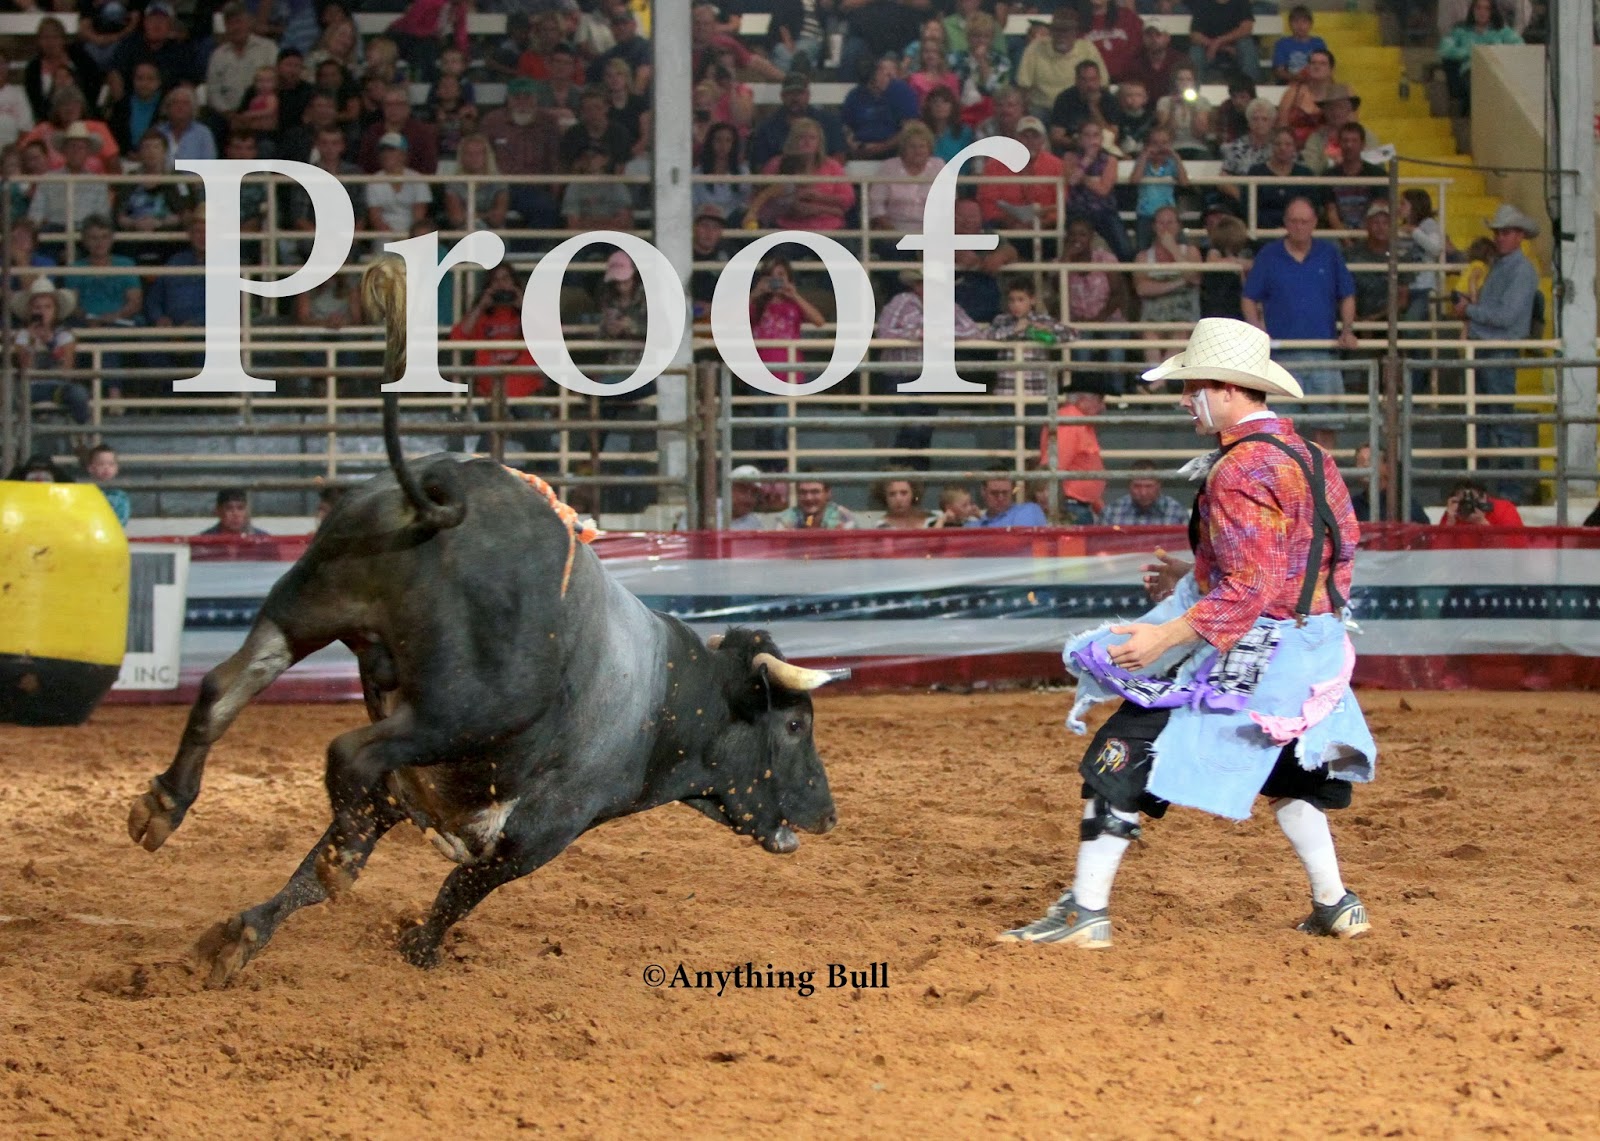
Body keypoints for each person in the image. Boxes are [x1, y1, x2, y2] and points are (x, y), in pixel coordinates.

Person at [999, 317, 1376, 949]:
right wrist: (1199, 573)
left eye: (1191, 386)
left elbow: (1251, 586)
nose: (1183, 399)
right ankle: (1335, 903)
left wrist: (1166, 634)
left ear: (1227, 389)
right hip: (1312, 652)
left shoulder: (1237, 470)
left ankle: (1085, 912)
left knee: (1118, 755)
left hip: (1257, 652)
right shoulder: (1312, 457)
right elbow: (1328, 554)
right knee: (1289, 774)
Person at [1242, 197, 1357, 448]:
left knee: (1327, 425)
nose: (1299, 226)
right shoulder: (1269, 255)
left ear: (1314, 222)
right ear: (1285, 222)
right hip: (1281, 355)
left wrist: (1347, 330)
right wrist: (1258, 331)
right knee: (1279, 430)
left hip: (1324, 352)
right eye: (1294, 221)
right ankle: (1284, 474)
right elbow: (1249, 298)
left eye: (1304, 221)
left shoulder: (1329, 253)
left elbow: (1347, 295)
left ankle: (1322, 473)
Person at [1455, 205, 1541, 501]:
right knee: (1490, 420)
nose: (1500, 237)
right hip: (1491, 348)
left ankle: (1506, 490)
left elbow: (1505, 316)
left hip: (1497, 349)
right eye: (1498, 233)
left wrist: (1470, 310)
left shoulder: (1519, 270)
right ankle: (1501, 490)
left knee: (1498, 421)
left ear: (1519, 235)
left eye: (1505, 232)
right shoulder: (1509, 268)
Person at [451, 263, 551, 467]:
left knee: (539, 435)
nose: (501, 285)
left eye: (506, 279)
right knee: (490, 435)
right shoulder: (481, 316)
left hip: (525, 388)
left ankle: (546, 474)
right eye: (495, 280)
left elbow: (549, 335)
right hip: (491, 389)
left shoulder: (527, 313)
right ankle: (479, 474)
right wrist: (481, 306)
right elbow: (457, 338)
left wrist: (523, 304)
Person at [1134, 205, 1202, 372]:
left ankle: (1157, 381)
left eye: (1170, 222)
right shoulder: (1143, 257)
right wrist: (1179, 283)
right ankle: (1157, 381)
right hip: (1153, 315)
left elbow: (1194, 278)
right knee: (1149, 335)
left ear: (1179, 226)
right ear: (1154, 226)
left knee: (1180, 333)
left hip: (1183, 314)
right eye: (1161, 223)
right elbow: (1142, 288)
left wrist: (1173, 249)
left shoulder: (1191, 252)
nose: (1165, 227)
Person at [13, 277, 89, 425]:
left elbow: (66, 368)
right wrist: (32, 341)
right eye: (37, 307)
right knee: (10, 394)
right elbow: (25, 368)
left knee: (79, 394)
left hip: (57, 387)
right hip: (30, 388)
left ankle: (81, 433)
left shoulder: (64, 335)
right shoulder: (23, 335)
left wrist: (50, 342)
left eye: (48, 307)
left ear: (55, 310)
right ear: (30, 310)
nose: (43, 312)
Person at [987, 277, 1073, 399]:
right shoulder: (1001, 320)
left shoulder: (1043, 320)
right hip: (1007, 389)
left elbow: (1072, 334)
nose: (1016, 305)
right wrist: (1013, 330)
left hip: (1037, 389)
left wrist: (1049, 330)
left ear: (1032, 300)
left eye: (1021, 300)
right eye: (1012, 300)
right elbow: (986, 335)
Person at [974, 116, 1061, 231]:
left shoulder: (1056, 166)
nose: (1030, 141)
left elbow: (1062, 204)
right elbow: (987, 203)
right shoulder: (994, 166)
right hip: (1003, 227)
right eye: (1025, 136)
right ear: (1015, 139)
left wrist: (1043, 222)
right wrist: (1008, 221)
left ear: (1043, 140)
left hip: (1046, 228)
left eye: (1035, 136)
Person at [748, 72, 846, 172]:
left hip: (822, 177)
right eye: (790, 93)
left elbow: (839, 157)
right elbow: (759, 166)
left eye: (800, 93)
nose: (795, 98)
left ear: (808, 95)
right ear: (782, 96)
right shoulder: (767, 128)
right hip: (781, 177)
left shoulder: (829, 122)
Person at [1015, 9, 1105, 115]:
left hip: (1078, 107)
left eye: (1067, 31)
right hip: (1043, 108)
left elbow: (1103, 83)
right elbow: (1023, 86)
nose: (1062, 35)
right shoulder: (1035, 48)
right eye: (1057, 30)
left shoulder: (1088, 49)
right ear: (1051, 31)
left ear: (1076, 32)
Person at [1440, 0, 1522, 115]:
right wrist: (1472, 52)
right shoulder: (1460, 30)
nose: (1482, 12)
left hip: (1496, 72)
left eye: (1486, 9)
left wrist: (1496, 52)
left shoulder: (1501, 30)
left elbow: (1519, 45)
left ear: (1492, 12)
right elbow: (1445, 50)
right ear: (1472, 10)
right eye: (1478, 8)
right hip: (1470, 71)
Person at [1038, 389, 1107, 525]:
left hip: (1075, 506)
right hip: (1070, 508)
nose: (1103, 407)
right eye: (1100, 400)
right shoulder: (1070, 422)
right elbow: (1054, 467)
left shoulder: (1077, 422)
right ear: (1083, 399)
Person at [28, 122, 112, 231]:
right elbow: (36, 213)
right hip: (54, 231)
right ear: (64, 150)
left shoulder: (98, 182)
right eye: (72, 146)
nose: (76, 151)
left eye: (81, 147)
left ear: (87, 152)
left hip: (86, 233)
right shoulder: (48, 179)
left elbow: (102, 216)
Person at [869, 122, 944, 239]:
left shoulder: (938, 166)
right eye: (912, 146)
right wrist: (893, 232)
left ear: (929, 149)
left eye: (922, 146)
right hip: (893, 231)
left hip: (931, 232)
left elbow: (948, 204)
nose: (917, 151)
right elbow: (876, 205)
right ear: (903, 149)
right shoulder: (888, 167)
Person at [841, 55, 919, 163]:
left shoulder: (901, 91)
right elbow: (846, 126)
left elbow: (909, 128)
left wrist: (880, 147)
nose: (872, 84)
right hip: (860, 151)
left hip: (893, 151)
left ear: (880, 71)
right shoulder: (855, 94)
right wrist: (852, 143)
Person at [1345, 200, 1408, 325]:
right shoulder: (1350, 255)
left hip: (1387, 323)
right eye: (1376, 222)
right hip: (1352, 320)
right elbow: (1342, 291)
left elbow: (1402, 300)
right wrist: (1352, 315)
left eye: (1386, 223)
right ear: (1366, 224)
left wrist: (1375, 319)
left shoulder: (1401, 256)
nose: (1381, 227)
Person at [1131, 127, 1188, 253]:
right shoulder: (1143, 163)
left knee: (1182, 245)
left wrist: (1176, 157)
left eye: (1164, 143)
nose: (1160, 147)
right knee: (1143, 248)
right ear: (1147, 145)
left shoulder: (1171, 163)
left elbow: (1184, 182)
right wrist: (1144, 156)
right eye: (1155, 143)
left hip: (1168, 214)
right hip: (1146, 214)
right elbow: (1134, 180)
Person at [1249, 127, 1317, 232]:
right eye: (1278, 144)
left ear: (1295, 147)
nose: (1282, 148)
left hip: (1299, 230)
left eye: (1288, 144)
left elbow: (1313, 208)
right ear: (1271, 146)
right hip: (1263, 231)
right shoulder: (1256, 172)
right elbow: (1249, 208)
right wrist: (1272, 228)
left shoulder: (1305, 173)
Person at [1320, 124, 1385, 233]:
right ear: (1339, 144)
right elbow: (1331, 212)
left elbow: (1377, 210)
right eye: (1345, 141)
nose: (1349, 145)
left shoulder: (1378, 175)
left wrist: (1361, 237)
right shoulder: (1328, 175)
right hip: (1338, 235)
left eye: (1354, 141)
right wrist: (1346, 239)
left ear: (1363, 145)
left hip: (1370, 233)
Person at [1398, 189, 1447, 328]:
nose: (1399, 207)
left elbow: (1436, 248)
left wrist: (1414, 231)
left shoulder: (1428, 224)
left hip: (1424, 288)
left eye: (1403, 203)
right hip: (1403, 287)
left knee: (1410, 325)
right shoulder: (1400, 228)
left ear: (1415, 205)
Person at [1347, 443, 1428, 524]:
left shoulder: (1404, 506)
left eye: (1371, 460)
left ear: (1387, 467)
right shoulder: (1353, 505)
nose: (1365, 465)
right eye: (1360, 461)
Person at [1186, 0, 1260, 82]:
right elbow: (1195, 35)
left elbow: (1246, 29)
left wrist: (1218, 42)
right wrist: (1222, 47)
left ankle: (1249, 86)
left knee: (1247, 45)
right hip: (1209, 52)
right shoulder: (1203, 3)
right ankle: (1195, 87)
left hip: (1235, 52)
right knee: (1196, 51)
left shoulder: (1241, 2)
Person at [1276, 48, 1334, 149]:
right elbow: (1282, 126)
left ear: (1331, 69)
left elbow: (1348, 129)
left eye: (1323, 63)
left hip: (1327, 149)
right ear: (1307, 67)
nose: (1317, 67)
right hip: (1294, 149)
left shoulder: (1340, 94)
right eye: (1313, 63)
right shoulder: (1293, 93)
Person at [1101, 460, 1189, 526]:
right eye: (1137, 486)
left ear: (1159, 485)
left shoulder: (1177, 513)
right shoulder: (1111, 512)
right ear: (1129, 486)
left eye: (1149, 486)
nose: (1143, 493)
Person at [1081, 0, 1144, 83]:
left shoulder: (1127, 16)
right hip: (1092, 83)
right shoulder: (1078, 22)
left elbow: (1139, 48)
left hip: (1128, 80)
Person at [967, 471, 1048, 527]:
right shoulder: (972, 526)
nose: (1000, 498)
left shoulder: (1029, 511)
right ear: (983, 491)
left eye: (1005, 493)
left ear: (1012, 490)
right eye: (994, 493)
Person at [1272, 6, 1329, 83]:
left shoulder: (1318, 43)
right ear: (1289, 24)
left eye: (1304, 22)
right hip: (1290, 83)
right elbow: (1279, 71)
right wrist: (1296, 77)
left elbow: (1325, 68)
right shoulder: (1282, 44)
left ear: (1311, 24)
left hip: (1314, 83)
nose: (1300, 25)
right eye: (1296, 21)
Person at [1440, 477, 1525, 528]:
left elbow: (1515, 548)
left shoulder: (1504, 510)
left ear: (1484, 497)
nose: (1468, 505)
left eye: (1473, 500)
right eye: (1463, 501)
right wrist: (1449, 524)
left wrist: (1482, 523)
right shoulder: (1453, 513)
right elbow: (1438, 551)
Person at [776, 479, 857, 529]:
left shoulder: (843, 517)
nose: (808, 498)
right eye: (803, 492)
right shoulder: (786, 519)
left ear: (827, 493)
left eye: (815, 492)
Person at [85, 444, 130, 527]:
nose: (106, 468)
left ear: (116, 468)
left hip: (111, 532)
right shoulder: (85, 492)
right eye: (101, 464)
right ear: (91, 468)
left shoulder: (120, 495)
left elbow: (122, 519)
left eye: (111, 464)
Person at [871, 474, 938, 529]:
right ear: (884, 497)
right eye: (892, 494)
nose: (898, 499)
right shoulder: (881, 526)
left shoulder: (932, 520)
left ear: (914, 493)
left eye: (904, 493)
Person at [721, 464, 769, 531]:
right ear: (729, 490)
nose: (748, 498)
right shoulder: (709, 511)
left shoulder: (755, 527)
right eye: (742, 490)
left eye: (754, 493)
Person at [203, 488, 269, 536]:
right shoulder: (205, 540)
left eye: (240, 508)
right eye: (229, 508)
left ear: (247, 511)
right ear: (218, 511)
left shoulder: (262, 539)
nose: (235, 514)